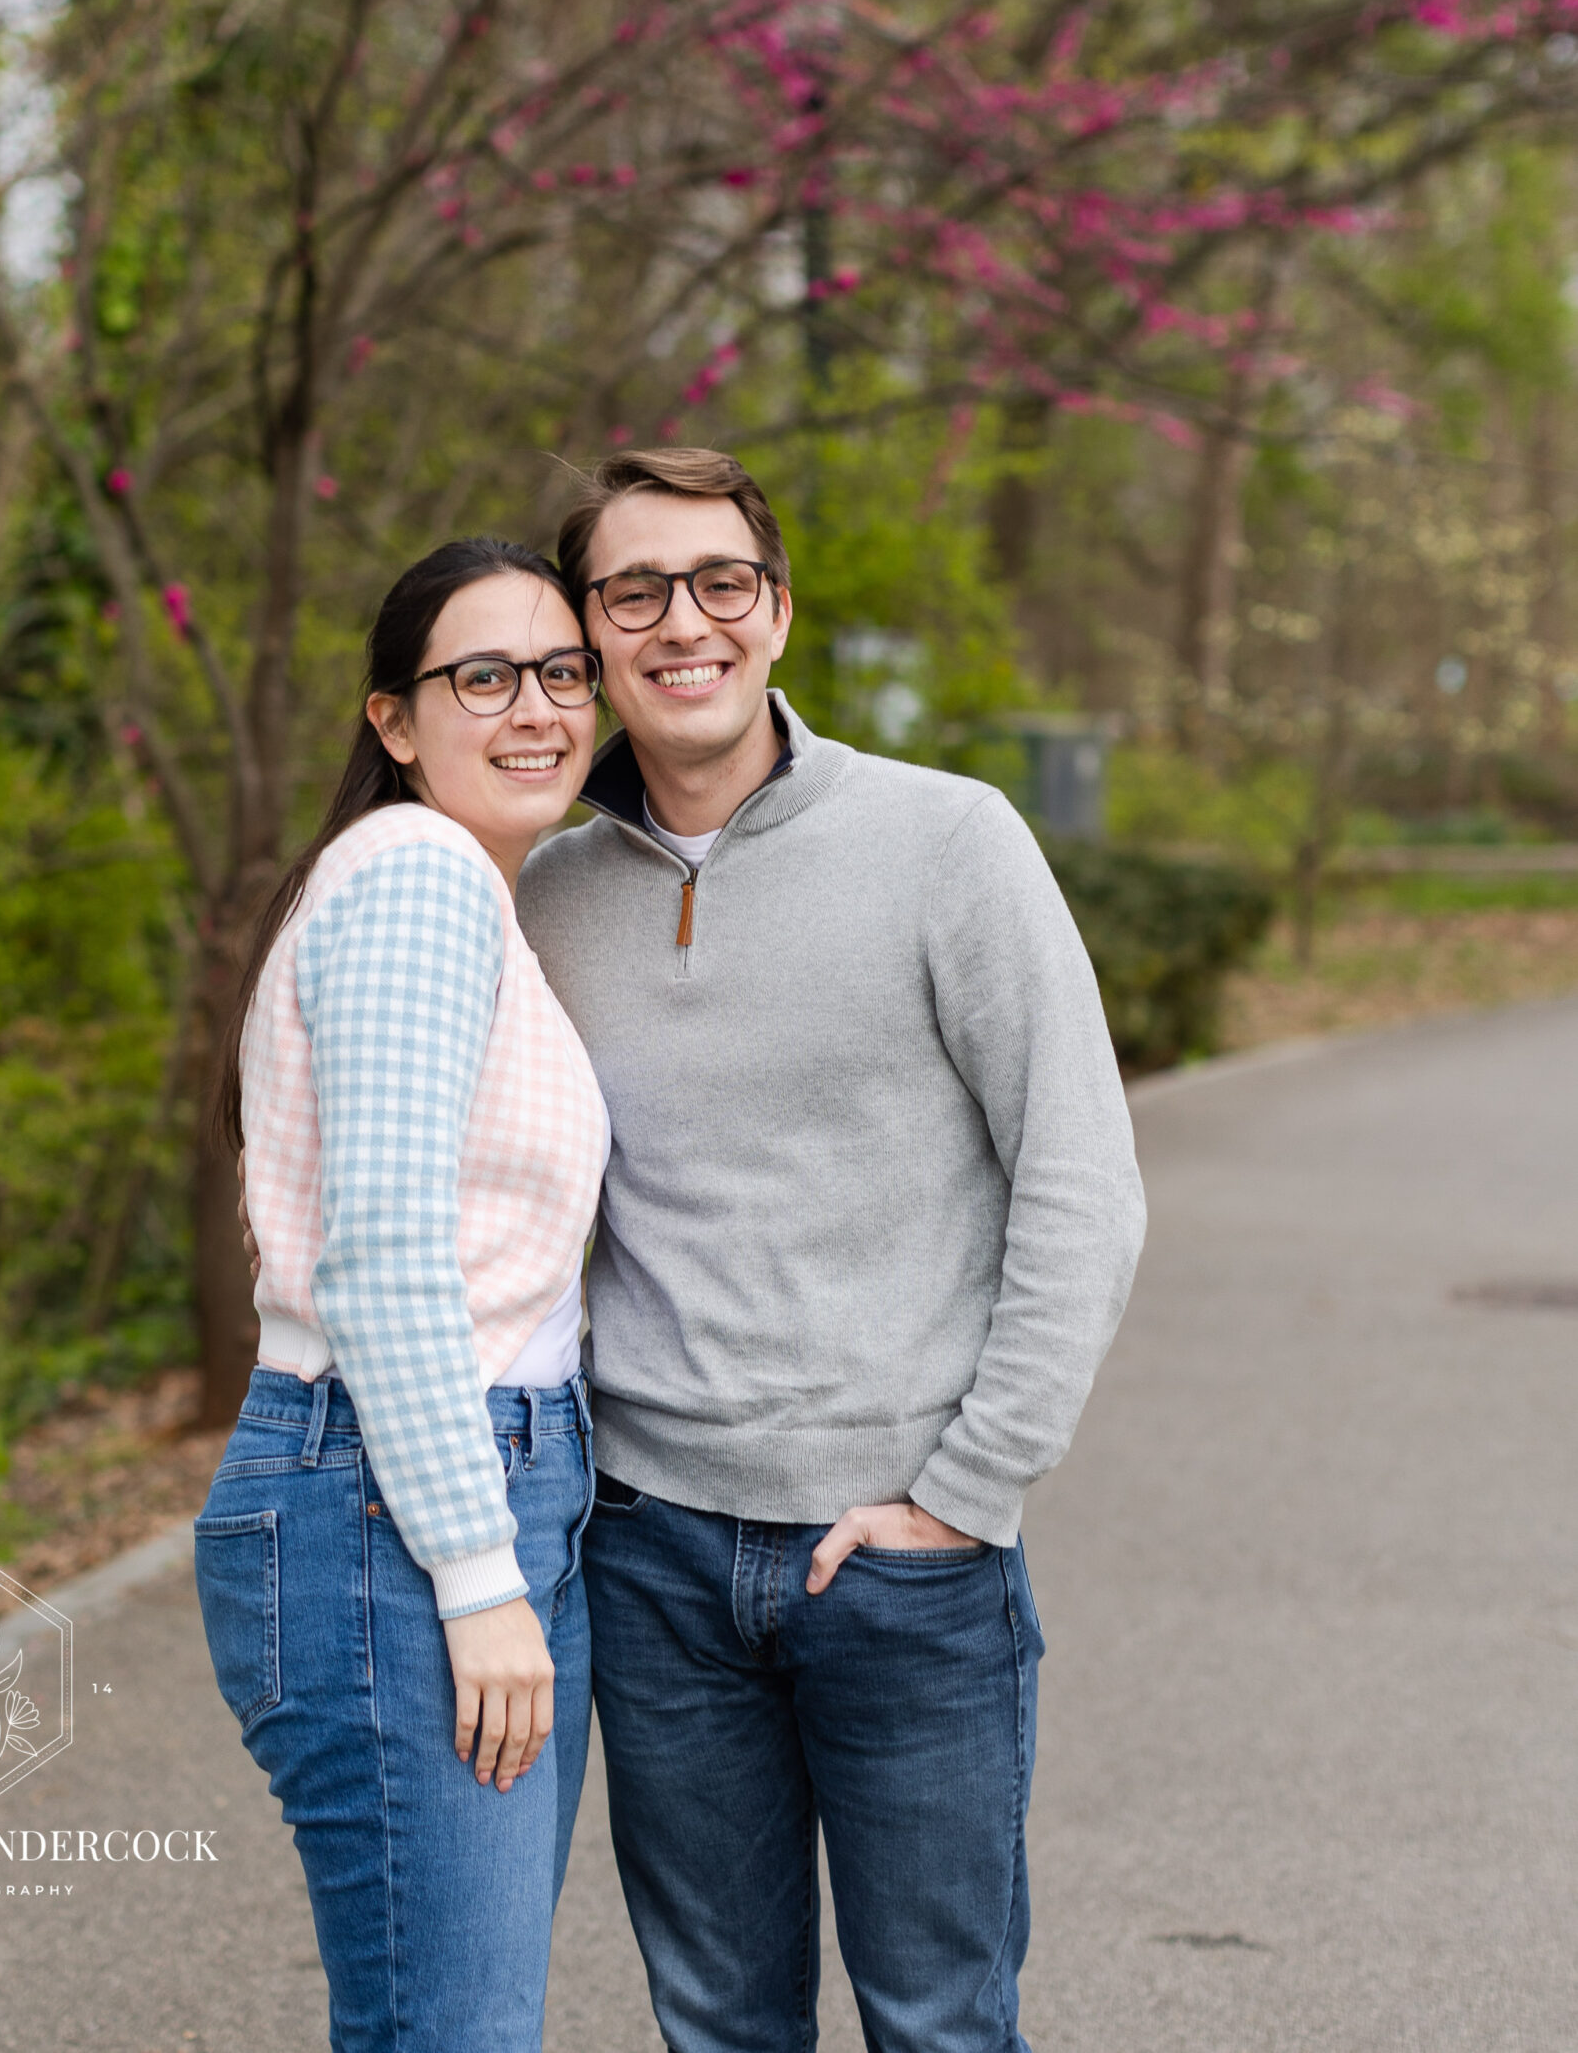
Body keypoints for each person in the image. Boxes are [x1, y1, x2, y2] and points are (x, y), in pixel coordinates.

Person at [514, 447, 1147, 2053]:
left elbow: (1081, 1178)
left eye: (719, 582)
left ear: (777, 612)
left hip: (906, 1563)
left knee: (937, 2022)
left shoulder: (949, 842)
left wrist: (965, 1489)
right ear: (589, 636)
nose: (683, 622)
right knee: (717, 2022)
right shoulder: (547, 889)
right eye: (633, 590)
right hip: (648, 1549)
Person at [196, 537, 609, 2053]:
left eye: (562, 674)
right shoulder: (418, 875)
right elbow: (377, 1256)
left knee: (441, 2022)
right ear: (392, 720)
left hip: (460, 1485)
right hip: (392, 1501)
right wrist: (477, 1570)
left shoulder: (482, 898)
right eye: (481, 677)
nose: (534, 711)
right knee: (454, 2033)